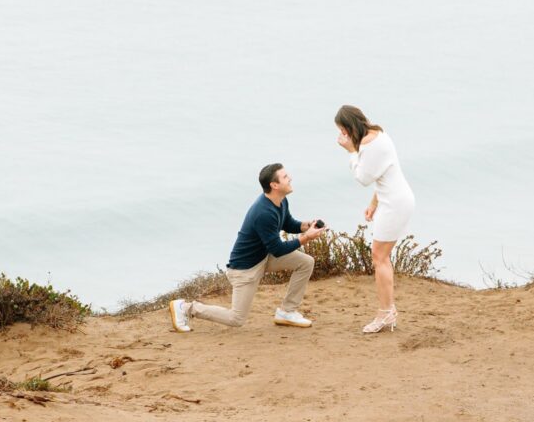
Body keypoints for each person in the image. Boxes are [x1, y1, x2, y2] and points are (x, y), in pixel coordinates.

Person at [169, 163, 326, 332]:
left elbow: (287, 223)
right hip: (245, 269)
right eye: (285, 177)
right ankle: (186, 308)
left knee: (305, 262)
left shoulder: (281, 201)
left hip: (264, 257)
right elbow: (277, 249)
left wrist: (307, 225)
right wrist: (306, 237)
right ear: (274, 185)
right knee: (236, 319)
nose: (290, 178)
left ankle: (287, 312)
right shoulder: (264, 212)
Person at [335, 105, 415, 333]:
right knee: (381, 257)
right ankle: (387, 311)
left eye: (342, 130)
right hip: (394, 199)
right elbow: (382, 175)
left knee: (379, 258)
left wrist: (351, 152)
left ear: (349, 127)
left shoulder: (369, 145)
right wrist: (373, 204)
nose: (342, 135)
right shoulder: (378, 134)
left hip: (394, 203)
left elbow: (363, 178)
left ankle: (386, 313)